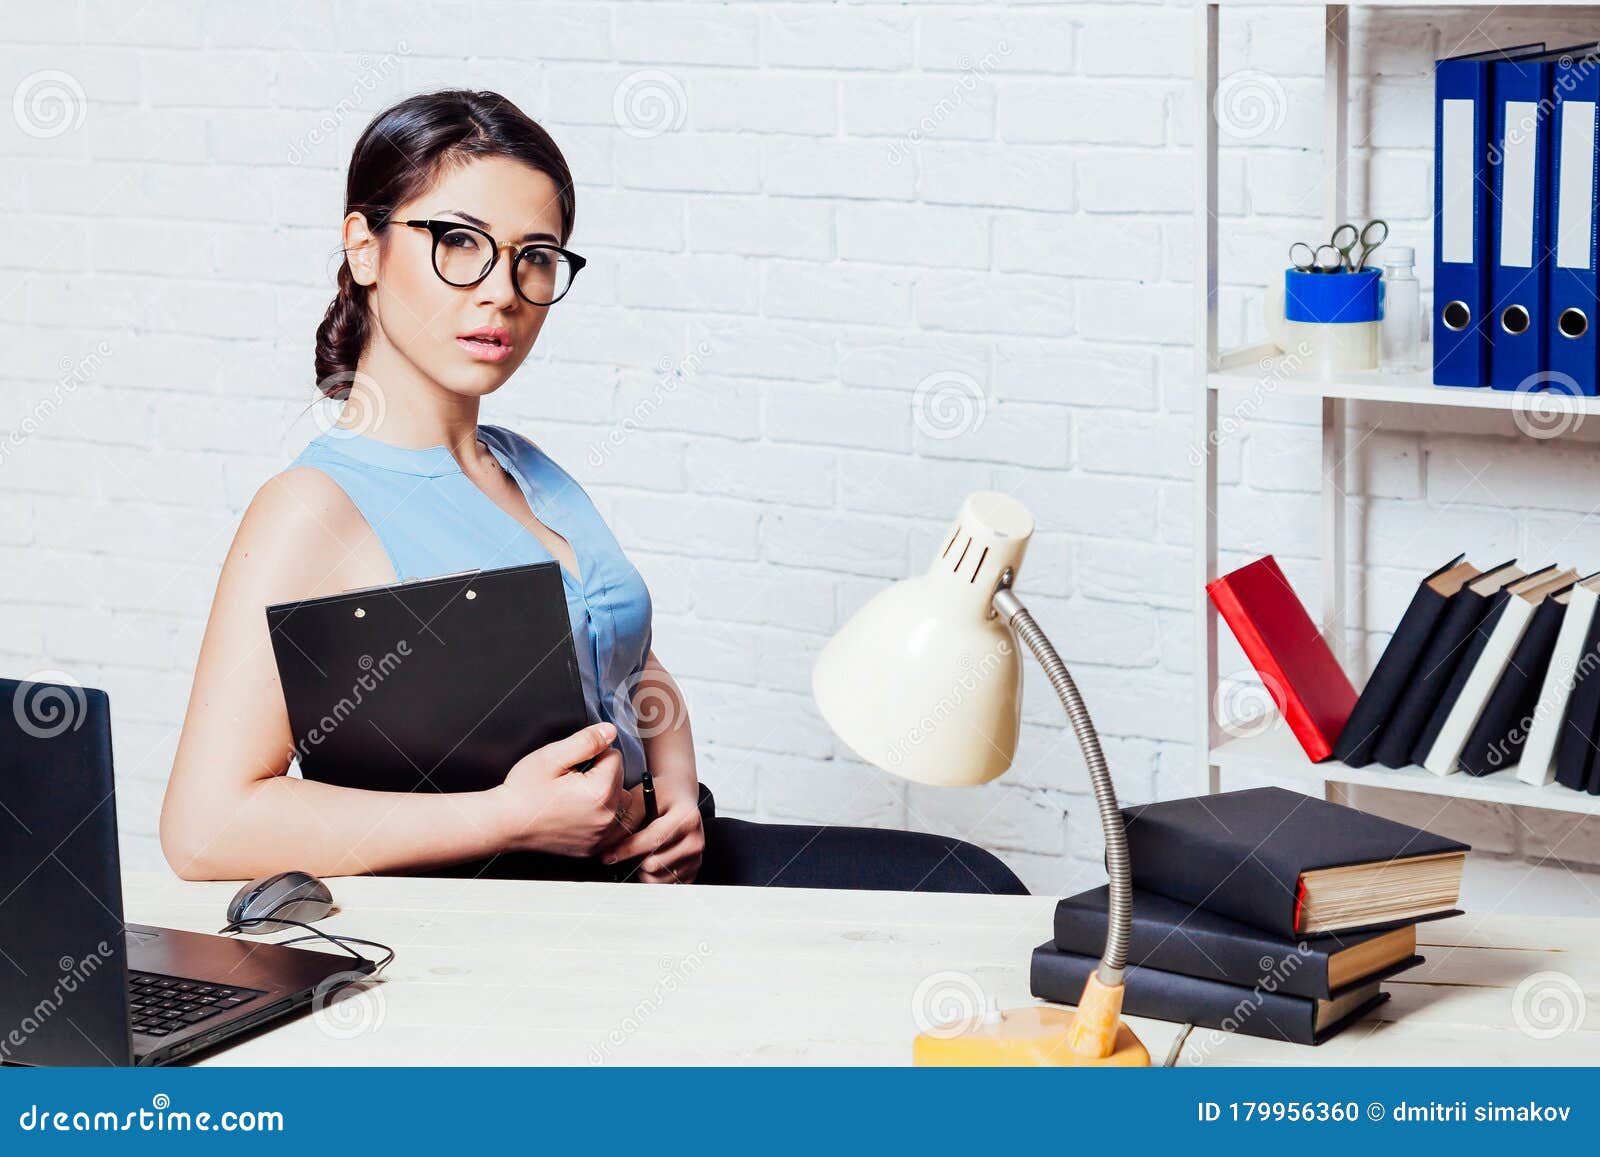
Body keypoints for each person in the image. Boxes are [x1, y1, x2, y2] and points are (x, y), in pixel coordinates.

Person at [158, 89, 1026, 898]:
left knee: (969, 881)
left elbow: (630, 665)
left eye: (532, 258)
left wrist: (679, 797)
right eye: (458, 242)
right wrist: (504, 814)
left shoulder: (526, 467)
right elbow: (204, 828)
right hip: (536, 906)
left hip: (663, 860)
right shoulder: (312, 507)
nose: (502, 289)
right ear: (363, 245)